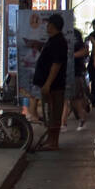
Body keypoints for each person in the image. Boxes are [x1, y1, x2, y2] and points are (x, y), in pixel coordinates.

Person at [32, 14, 68, 151]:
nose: (46, 26)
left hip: (54, 86)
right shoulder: (53, 40)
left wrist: (48, 83)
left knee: (54, 113)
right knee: (49, 113)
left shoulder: (59, 42)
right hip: (49, 85)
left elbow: (56, 65)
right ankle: (50, 140)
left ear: (52, 26)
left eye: (48, 24)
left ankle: (54, 142)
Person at [62, 29, 90, 131]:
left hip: (75, 72)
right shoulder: (58, 33)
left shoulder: (75, 33)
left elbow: (84, 51)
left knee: (75, 100)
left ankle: (82, 119)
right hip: (62, 73)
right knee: (65, 100)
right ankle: (63, 124)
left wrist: (70, 56)